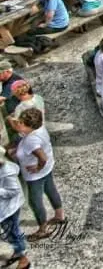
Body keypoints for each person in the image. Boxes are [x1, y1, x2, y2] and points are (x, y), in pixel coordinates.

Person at [12, 108, 65, 240]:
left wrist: (37, 167)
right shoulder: (40, 128)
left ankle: (43, 229)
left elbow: (42, 157)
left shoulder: (31, 140)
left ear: (29, 126)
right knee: (51, 190)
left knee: (35, 201)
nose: (19, 123)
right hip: (47, 169)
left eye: (21, 122)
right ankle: (60, 216)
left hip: (35, 176)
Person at [0, 150, 27, 269]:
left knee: (12, 233)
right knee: (12, 231)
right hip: (6, 207)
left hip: (9, 209)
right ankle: (17, 253)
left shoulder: (7, 172)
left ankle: (23, 259)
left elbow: (13, 191)